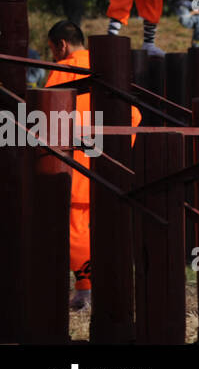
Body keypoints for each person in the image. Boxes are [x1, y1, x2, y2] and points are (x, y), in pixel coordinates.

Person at [46, 20, 139, 312]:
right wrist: (114, 150)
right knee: (107, 228)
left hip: (73, 164)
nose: (52, 56)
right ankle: (113, 286)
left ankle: (85, 289)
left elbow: (45, 115)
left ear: (61, 45)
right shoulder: (107, 65)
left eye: (52, 50)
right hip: (110, 163)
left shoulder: (63, 71)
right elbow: (133, 115)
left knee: (74, 229)